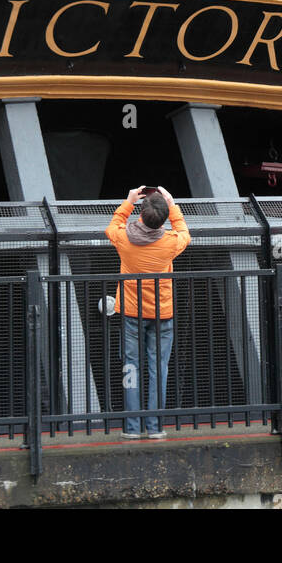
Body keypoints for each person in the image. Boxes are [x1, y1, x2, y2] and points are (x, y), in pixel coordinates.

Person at [104, 185, 191, 439]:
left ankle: (132, 428)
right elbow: (184, 231)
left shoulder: (122, 238)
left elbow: (112, 226)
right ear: (163, 218)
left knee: (131, 367)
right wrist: (172, 205)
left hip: (132, 313)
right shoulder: (170, 243)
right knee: (159, 368)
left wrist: (128, 202)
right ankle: (155, 427)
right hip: (163, 314)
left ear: (140, 214)